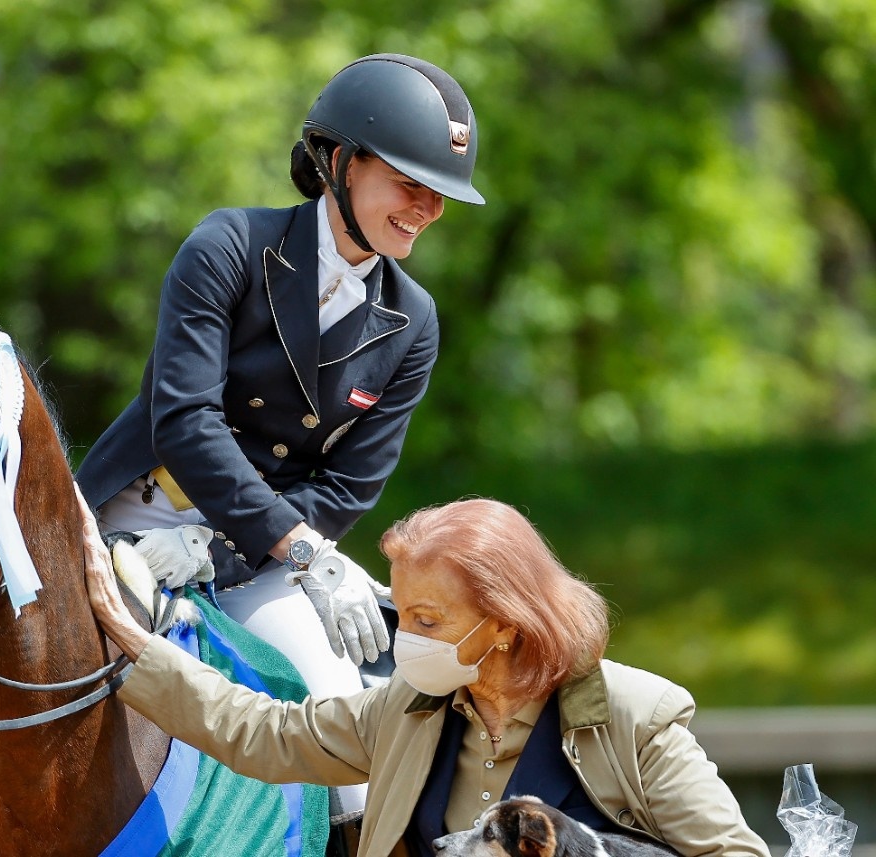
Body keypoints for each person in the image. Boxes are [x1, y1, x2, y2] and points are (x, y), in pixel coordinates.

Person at [75, 57, 486, 822]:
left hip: (261, 555)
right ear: (340, 161)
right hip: (130, 520)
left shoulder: (413, 321)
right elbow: (185, 420)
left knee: (350, 756)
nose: (427, 208)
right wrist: (293, 546)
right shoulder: (229, 246)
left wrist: (229, 548)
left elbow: (347, 487)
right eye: (410, 182)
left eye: (441, 195)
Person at [78, 490, 772, 857]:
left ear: (506, 623)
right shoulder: (411, 704)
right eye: (401, 611)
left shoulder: (636, 715)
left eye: (429, 620)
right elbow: (265, 731)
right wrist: (132, 645)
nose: (403, 638)